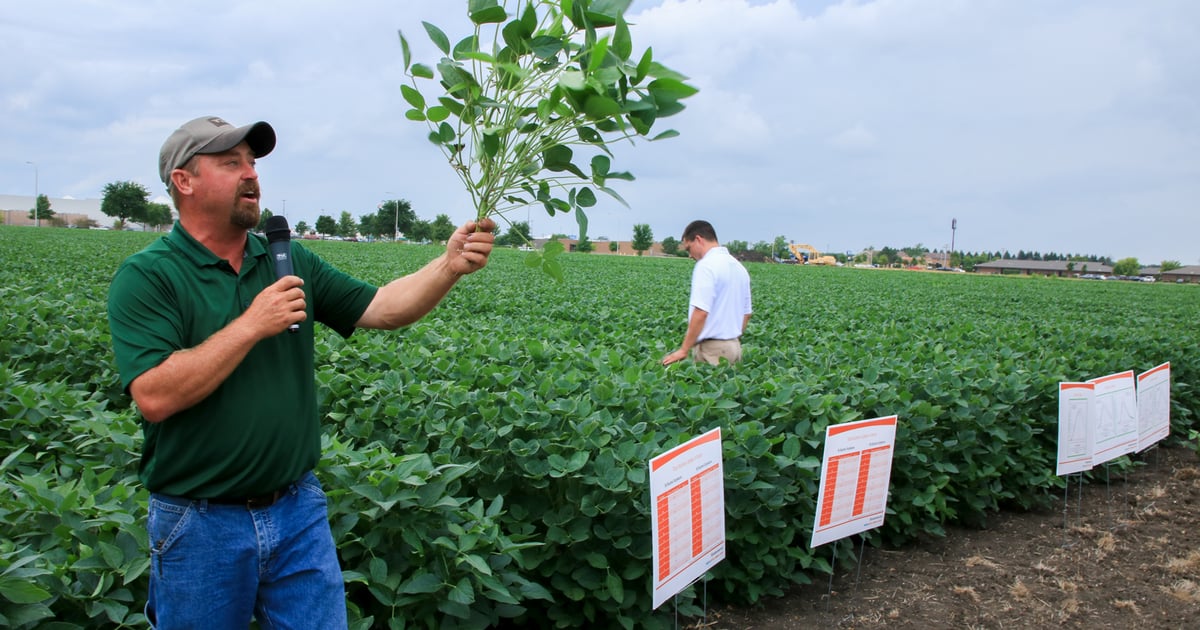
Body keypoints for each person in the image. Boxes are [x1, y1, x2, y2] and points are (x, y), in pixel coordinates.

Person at [107, 115, 495, 628]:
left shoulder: (286, 257)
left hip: (297, 510)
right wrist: (251, 325)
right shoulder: (149, 276)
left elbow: (381, 308)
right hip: (200, 525)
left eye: (252, 163)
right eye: (230, 163)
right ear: (184, 181)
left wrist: (447, 266)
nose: (251, 175)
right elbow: (155, 395)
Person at [661, 220, 752, 366]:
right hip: (734, 346)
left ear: (698, 239)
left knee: (708, 386)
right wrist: (729, 337)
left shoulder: (706, 265)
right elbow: (746, 314)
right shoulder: (738, 267)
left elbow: (701, 312)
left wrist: (684, 350)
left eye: (688, 248)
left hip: (712, 350)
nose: (690, 255)